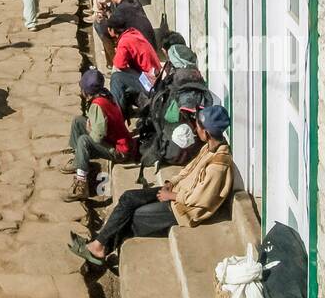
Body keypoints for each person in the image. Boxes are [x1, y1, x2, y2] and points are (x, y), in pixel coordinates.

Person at [68, 104, 234, 266]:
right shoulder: (208, 148)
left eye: (198, 126)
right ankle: (99, 244)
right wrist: (171, 183)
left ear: (206, 132)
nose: (196, 129)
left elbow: (202, 198)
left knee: (134, 218)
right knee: (128, 198)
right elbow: (187, 171)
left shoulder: (218, 165)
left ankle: (99, 247)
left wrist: (172, 196)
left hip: (183, 209)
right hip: (177, 192)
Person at [62, 68, 138, 202]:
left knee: (83, 140)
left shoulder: (97, 105)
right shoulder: (105, 94)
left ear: (87, 92)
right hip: (113, 140)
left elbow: (97, 137)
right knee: (78, 121)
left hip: (120, 150)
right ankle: (78, 160)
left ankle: (82, 184)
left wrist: (90, 128)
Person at [108, 8, 163, 115]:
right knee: (122, 80)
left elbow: (118, 65)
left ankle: (114, 115)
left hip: (149, 82)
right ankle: (123, 111)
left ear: (112, 30)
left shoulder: (124, 41)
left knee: (116, 78)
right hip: (153, 76)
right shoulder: (133, 33)